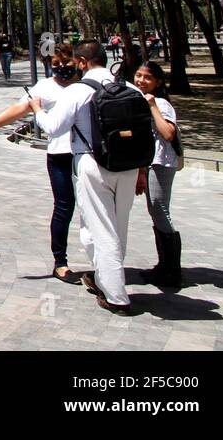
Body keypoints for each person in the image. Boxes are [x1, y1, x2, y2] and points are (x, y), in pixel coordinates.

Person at [32, 41, 145, 314]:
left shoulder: (78, 91)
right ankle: (104, 276)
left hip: (93, 164)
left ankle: (116, 296)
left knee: (101, 229)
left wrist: (37, 110)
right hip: (128, 165)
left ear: (82, 62)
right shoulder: (130, 88)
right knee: (118, 226)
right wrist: (142, 170)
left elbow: (54, 127)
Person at [0, 43, 82, 283]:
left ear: (78, 63)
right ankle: (60, 262)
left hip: (87, 155)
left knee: (92, 208)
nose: (62, 68)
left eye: (67, 64)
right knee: (64, 207)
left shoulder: (85, 86)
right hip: (60, 156)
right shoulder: (44, 87)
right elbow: (18, 110)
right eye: (56, 65)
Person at [134, 61, 183, 287]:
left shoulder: (161, 103)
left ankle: (171, 270)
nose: (141, 81)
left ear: (158, 82)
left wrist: (153, 106)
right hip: (151, 162)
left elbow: (168, 133)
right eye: (138, 75)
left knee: (160, 209)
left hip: (162, 162)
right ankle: (165, 265)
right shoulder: (140, 99)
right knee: (156, 209)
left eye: (147, 78)